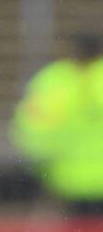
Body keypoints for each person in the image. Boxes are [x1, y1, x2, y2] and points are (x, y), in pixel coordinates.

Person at [12, 33, 103, 217]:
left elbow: (29, 128)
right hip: (82, 181)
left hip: (66, 180)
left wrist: (39, 161)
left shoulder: (54, 80)